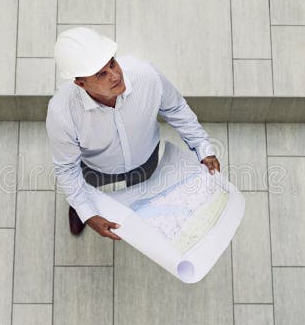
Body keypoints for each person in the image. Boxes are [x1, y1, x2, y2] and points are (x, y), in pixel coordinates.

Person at [46, 27, 221, 239]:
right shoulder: (62, 113)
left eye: (112, 63)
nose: (115, 75)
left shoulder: (147, 77)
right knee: (86, 192)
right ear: (81, 83)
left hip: (145, 158)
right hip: (96, 167)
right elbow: (67, 169)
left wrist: (203, 149)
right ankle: (79, 209)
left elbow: (176, 109)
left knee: (142, 192)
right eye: (101, 74)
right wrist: (88, 214)